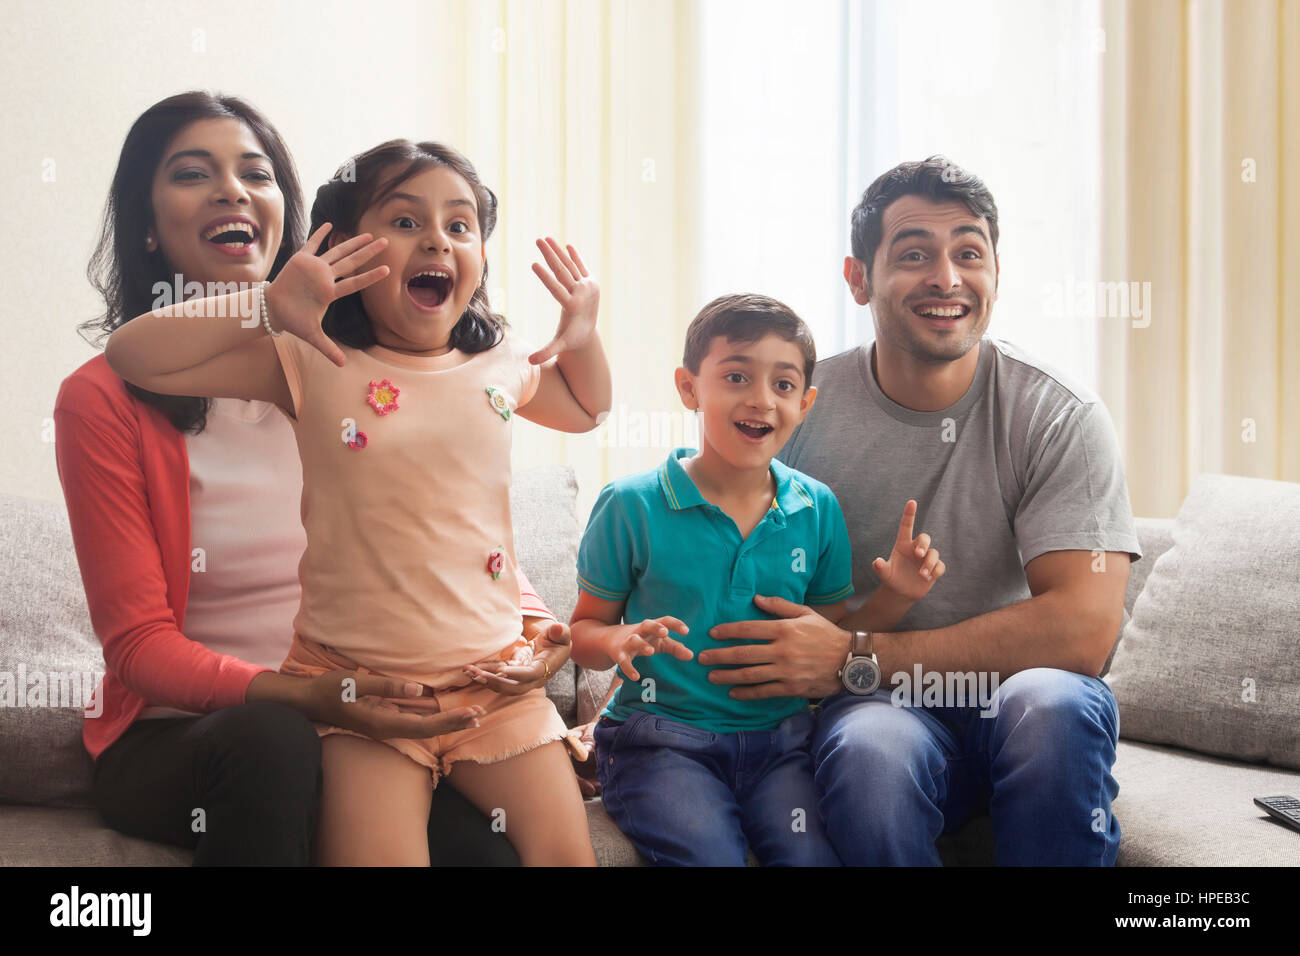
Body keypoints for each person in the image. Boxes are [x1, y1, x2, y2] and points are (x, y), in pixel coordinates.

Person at [56, 92, 569, 866]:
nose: (232, 192)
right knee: (276, 743)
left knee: (487, 855)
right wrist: (303, 694)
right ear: (147, 227)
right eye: (193, 174)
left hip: (364, 709)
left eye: (256, 174)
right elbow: (137, 644)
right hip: (197, 732)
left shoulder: (356, 370)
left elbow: (445, 532)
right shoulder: (101, 397)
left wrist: (534, 628)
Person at [699, 157, 1141, 866]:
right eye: (914, 255)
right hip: (877, 709)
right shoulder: (794, 410)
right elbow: (710, 566)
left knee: (1055, 707)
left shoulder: (1058, 413)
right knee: (872, 752)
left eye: (969, 253)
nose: (946, 278)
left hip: (1014, 697)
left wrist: (856, 657)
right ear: (858, 278)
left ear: (996, 272)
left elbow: (1083, 630)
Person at [569, 294, 946, 865]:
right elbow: (582, 634)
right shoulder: (630, 505)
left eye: (783, 384)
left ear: (805, 403)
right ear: (689, 388)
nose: (761, 399)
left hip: (781, 748)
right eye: (737, 376)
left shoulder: (816, 508)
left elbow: (831, 642)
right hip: (661, 742)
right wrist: (617, 638)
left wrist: (896, 594)